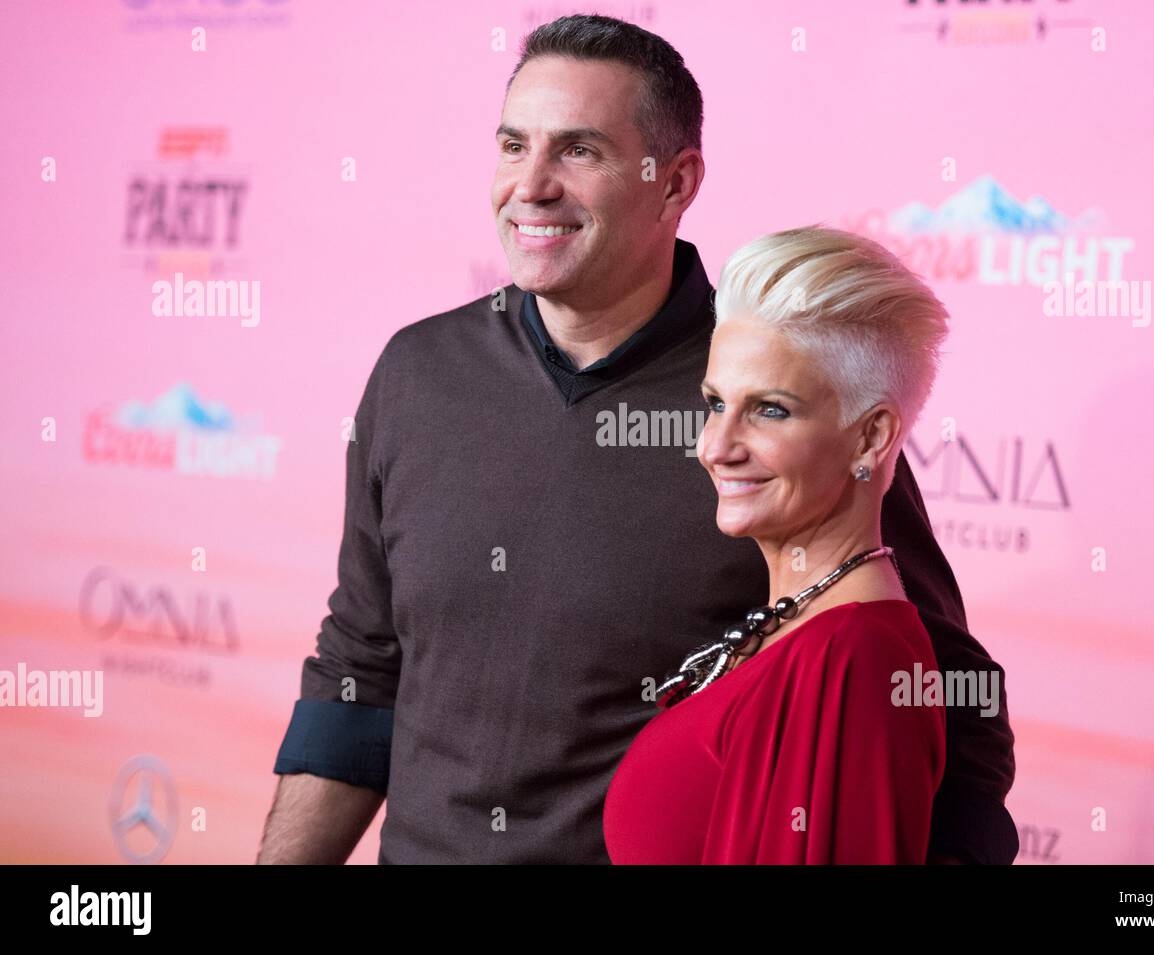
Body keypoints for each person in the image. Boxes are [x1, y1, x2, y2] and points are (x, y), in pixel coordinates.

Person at [257, 13, 1016, 865]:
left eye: (579, 151)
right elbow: (359, 673)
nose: (532, 185)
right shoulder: (417, 373)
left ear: (676, 180)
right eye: (514, 146)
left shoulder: (784, 402)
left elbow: (947, 704)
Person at [603, 226, 949, 863]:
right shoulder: (806, 630)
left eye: (770, 410)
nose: (716, 447)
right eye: (715, 403)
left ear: (871, 439)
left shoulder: (850, 663)